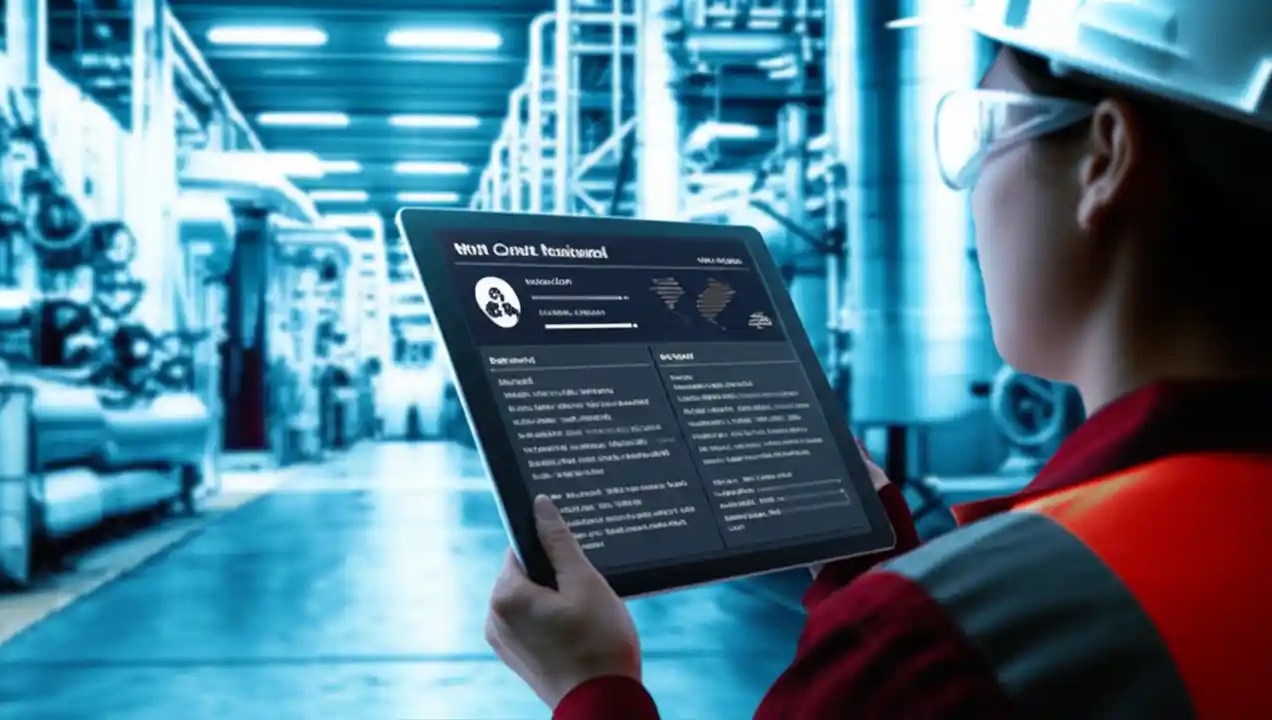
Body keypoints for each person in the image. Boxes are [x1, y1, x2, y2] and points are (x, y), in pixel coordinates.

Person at [484, 1, 1272, 717]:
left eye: (987, 129)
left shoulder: (936, 645)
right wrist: (874, 574)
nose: (969, 187)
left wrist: (592, 686)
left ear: (1104, 158)